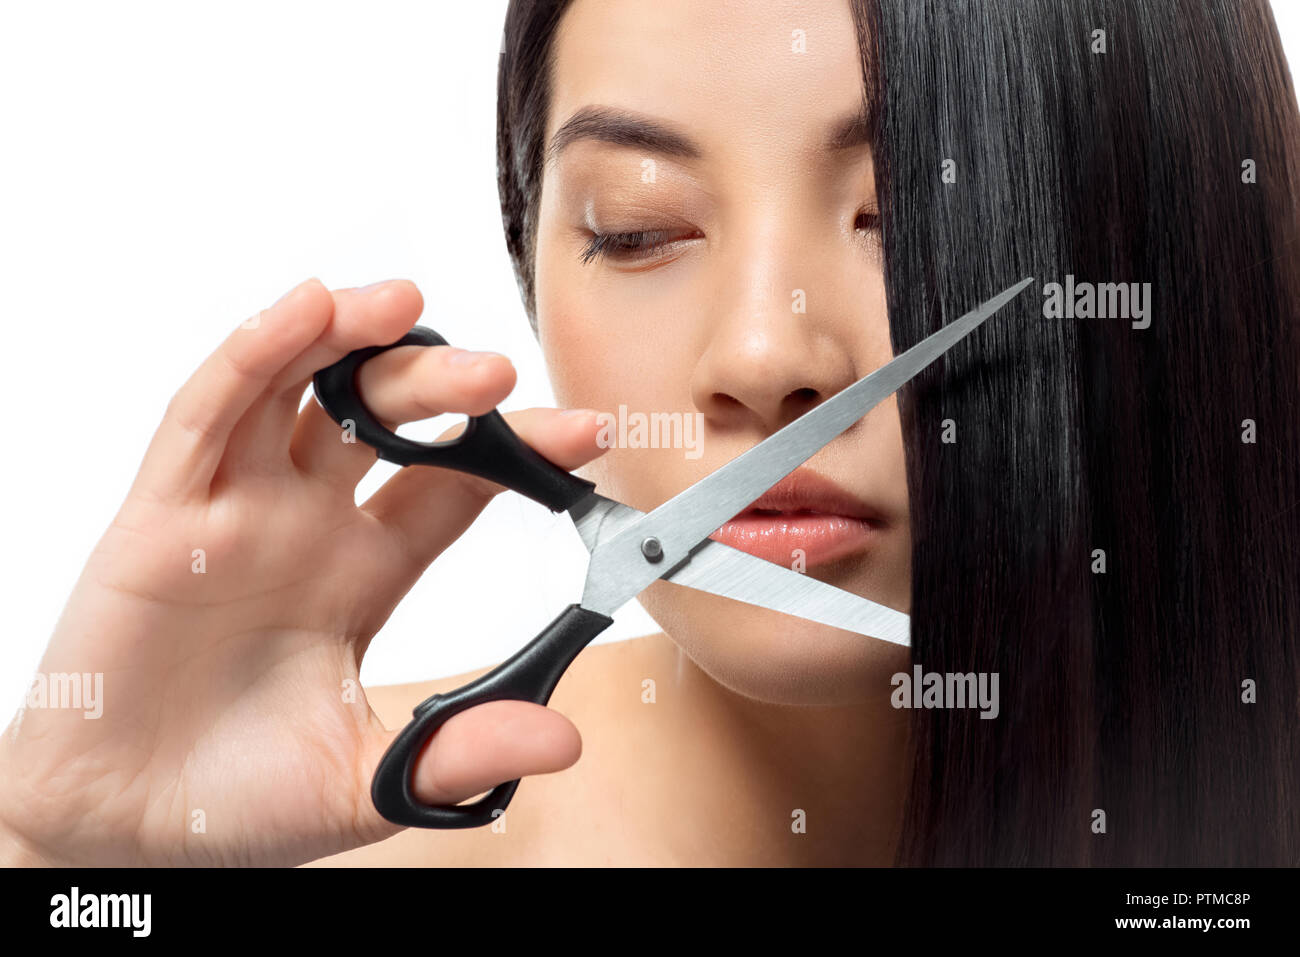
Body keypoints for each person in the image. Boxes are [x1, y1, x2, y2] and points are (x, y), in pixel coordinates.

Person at [2, 0, 1297, 868]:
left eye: (904, 207)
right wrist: (61, 857)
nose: (764, 355)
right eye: (638, 225)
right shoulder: (333, 822)